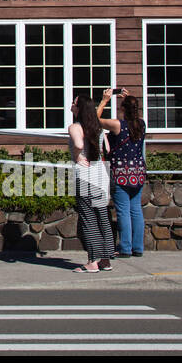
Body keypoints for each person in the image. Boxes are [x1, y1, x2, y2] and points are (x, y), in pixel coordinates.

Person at [68, 94, 114, 273]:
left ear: (79, 108)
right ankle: (105, 260)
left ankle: (92, 261)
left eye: (74, 103)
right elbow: (107, 149)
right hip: (101, 176)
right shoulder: (98, 128)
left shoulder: (75, 127)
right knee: (103, 218)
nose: (71, 105)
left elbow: (79, 143)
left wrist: (77, 155)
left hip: (86, 177)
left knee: (88, 220)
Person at [98, 88, 146, 257]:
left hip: (121, 172)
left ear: (123, 109)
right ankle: (138, 247)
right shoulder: (141, 124)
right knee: (136, 210)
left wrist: (105, 100)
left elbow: (95, 119)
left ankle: (125, 248)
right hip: (138, 172)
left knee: (123, 211)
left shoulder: (117, 125)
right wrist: (128, 99)